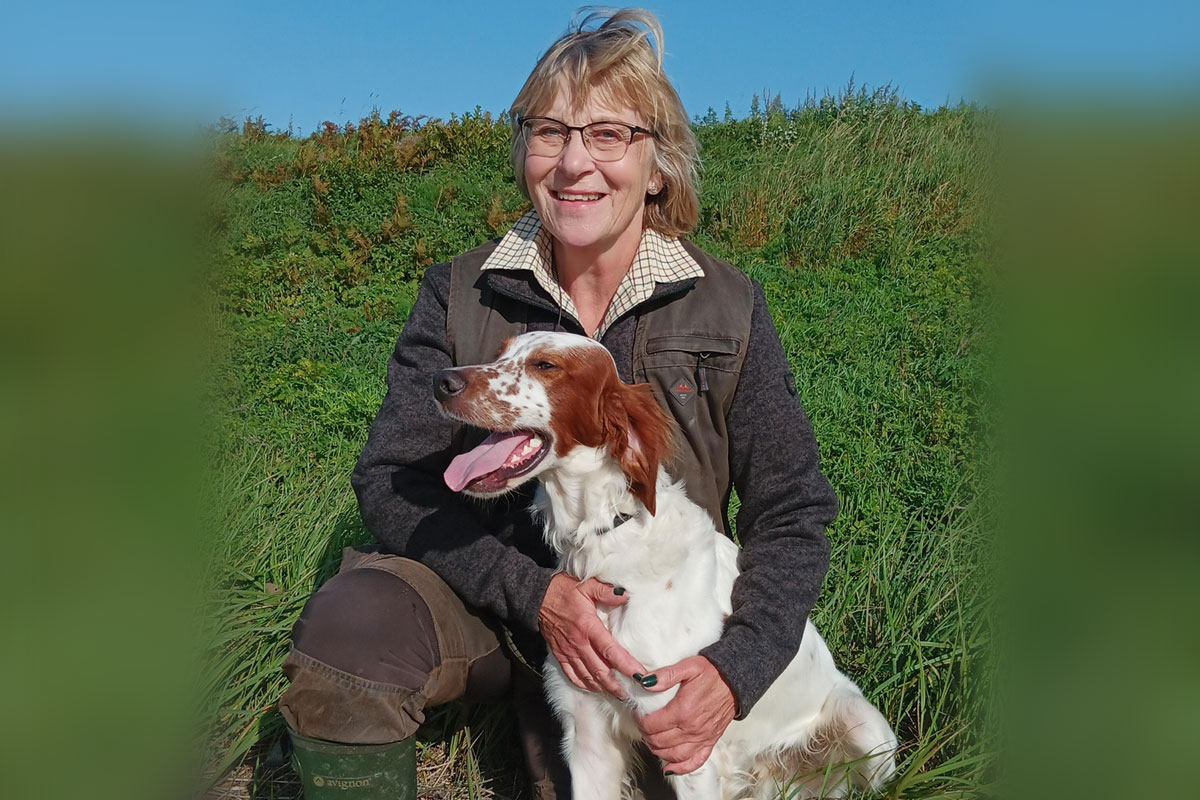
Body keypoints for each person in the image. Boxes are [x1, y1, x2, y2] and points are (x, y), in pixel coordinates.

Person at [278, 8, 837, 799]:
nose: (575, 162)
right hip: (488, 610)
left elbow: (793, 509)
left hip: (656, 626)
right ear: (525, 153)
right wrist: (530, 592)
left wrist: (732, 670)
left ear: (659, 166)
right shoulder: (461, 291)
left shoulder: (729, 308)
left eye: (609, 134)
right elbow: (390, 477)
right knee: (351, 631)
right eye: (550, 132)